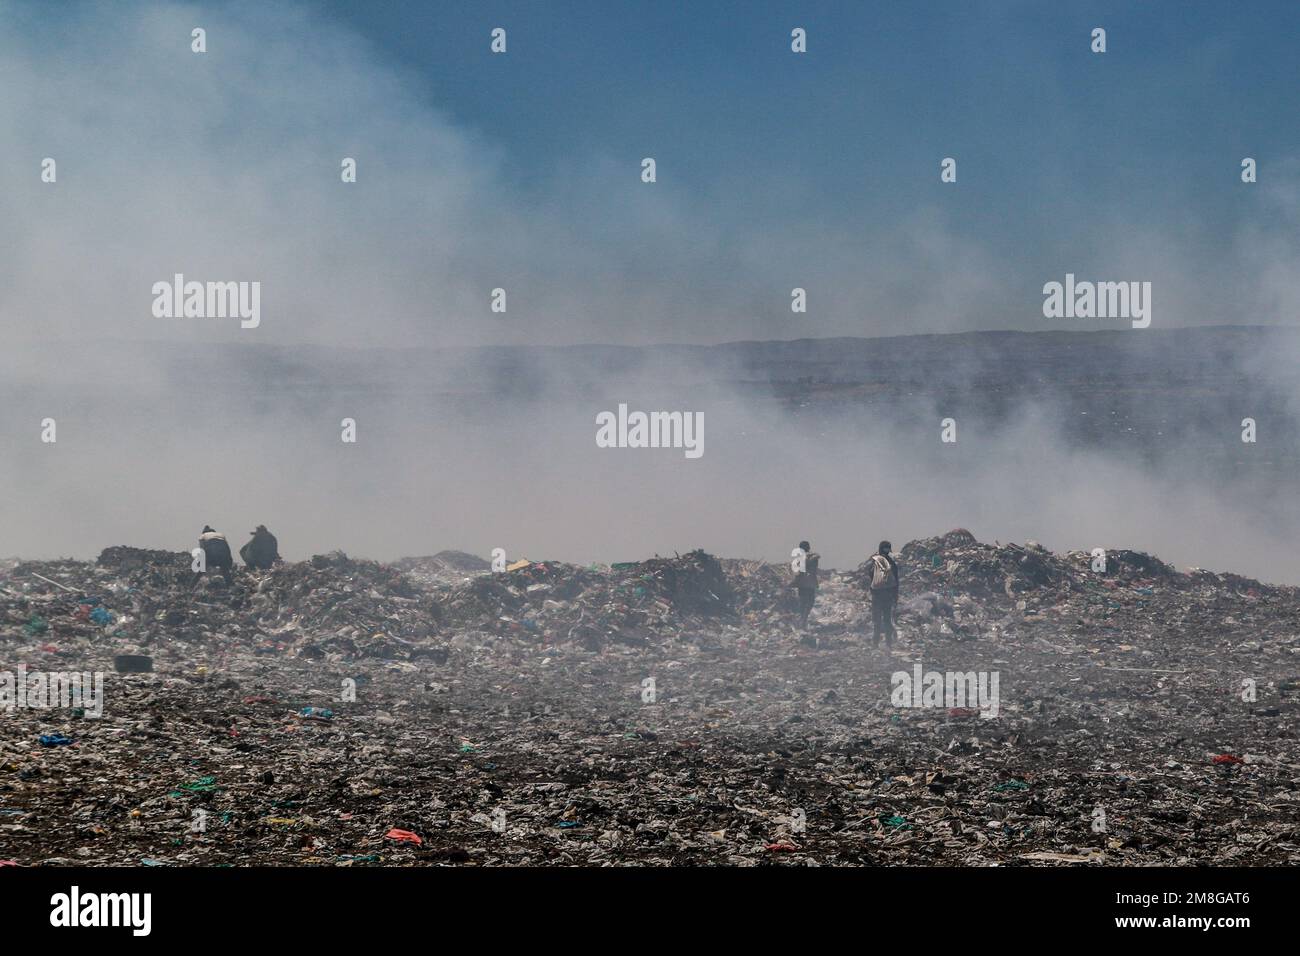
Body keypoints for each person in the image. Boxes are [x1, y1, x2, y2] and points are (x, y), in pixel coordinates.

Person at [867, 540, 899, 647]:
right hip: (887, 595)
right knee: (886, 620)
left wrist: (872, 590)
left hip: (877, 595)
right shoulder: (891, 562)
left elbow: (871, 576)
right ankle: (888, 644)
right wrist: (895, 596)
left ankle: (875, 644)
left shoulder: (875, 561)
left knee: (877, 620)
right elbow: (896, 582)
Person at [793, 540, 820, 632]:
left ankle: (803, 621)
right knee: (805, 603)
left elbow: (816, 557)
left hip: (807, 584)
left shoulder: (810, 557)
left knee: (807, 603)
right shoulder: (801, 559)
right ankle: (802, 621)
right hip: (805, 584)